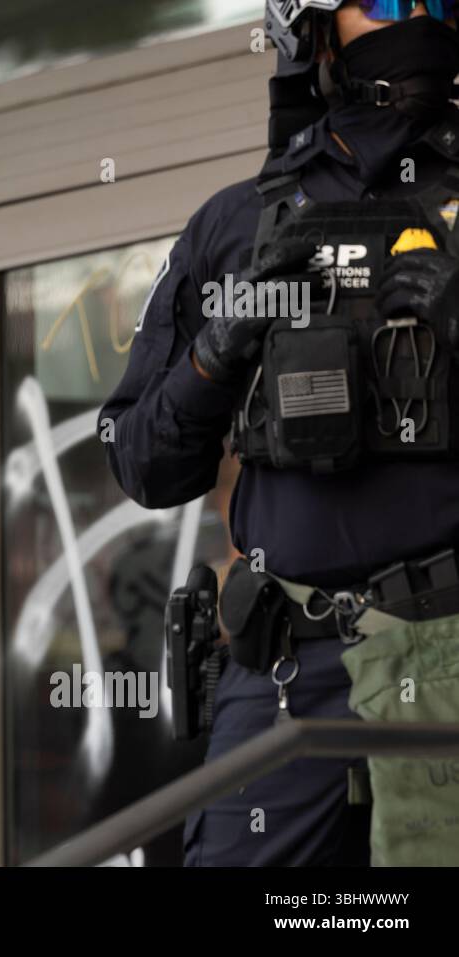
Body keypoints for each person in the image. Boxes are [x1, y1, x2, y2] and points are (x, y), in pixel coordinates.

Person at [101, 0, 459, 865]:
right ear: (309, 28)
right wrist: (216, 355)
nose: (413, 18)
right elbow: (141, 461)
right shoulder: (236, 223)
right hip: (287, 666)